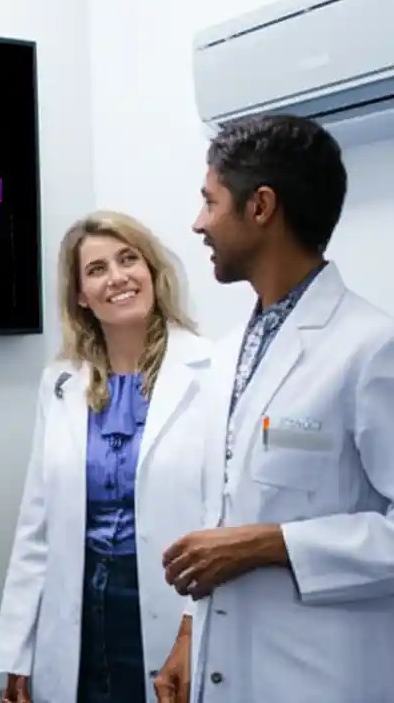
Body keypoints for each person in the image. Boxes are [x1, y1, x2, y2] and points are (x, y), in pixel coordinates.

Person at [153, 114, 394, 703]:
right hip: (228, 667)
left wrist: (272, 544)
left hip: (323, 679)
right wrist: (190, 632)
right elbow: (227, 510)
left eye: (210, 201)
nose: (199, 223)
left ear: (261, 206)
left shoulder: (370, 347)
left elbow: (248, 535)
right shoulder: (233, 350)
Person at [0, 211, 211, 703]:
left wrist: (194, 624)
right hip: (77, 622)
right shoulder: (62, 382)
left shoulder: (210, 371)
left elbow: (224, 515)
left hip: (168, 610)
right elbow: (36, 524)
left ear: (152, 272)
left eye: (128, 259)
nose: (117, 277)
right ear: (80, 296)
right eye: (96, 269)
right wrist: (15, 653)